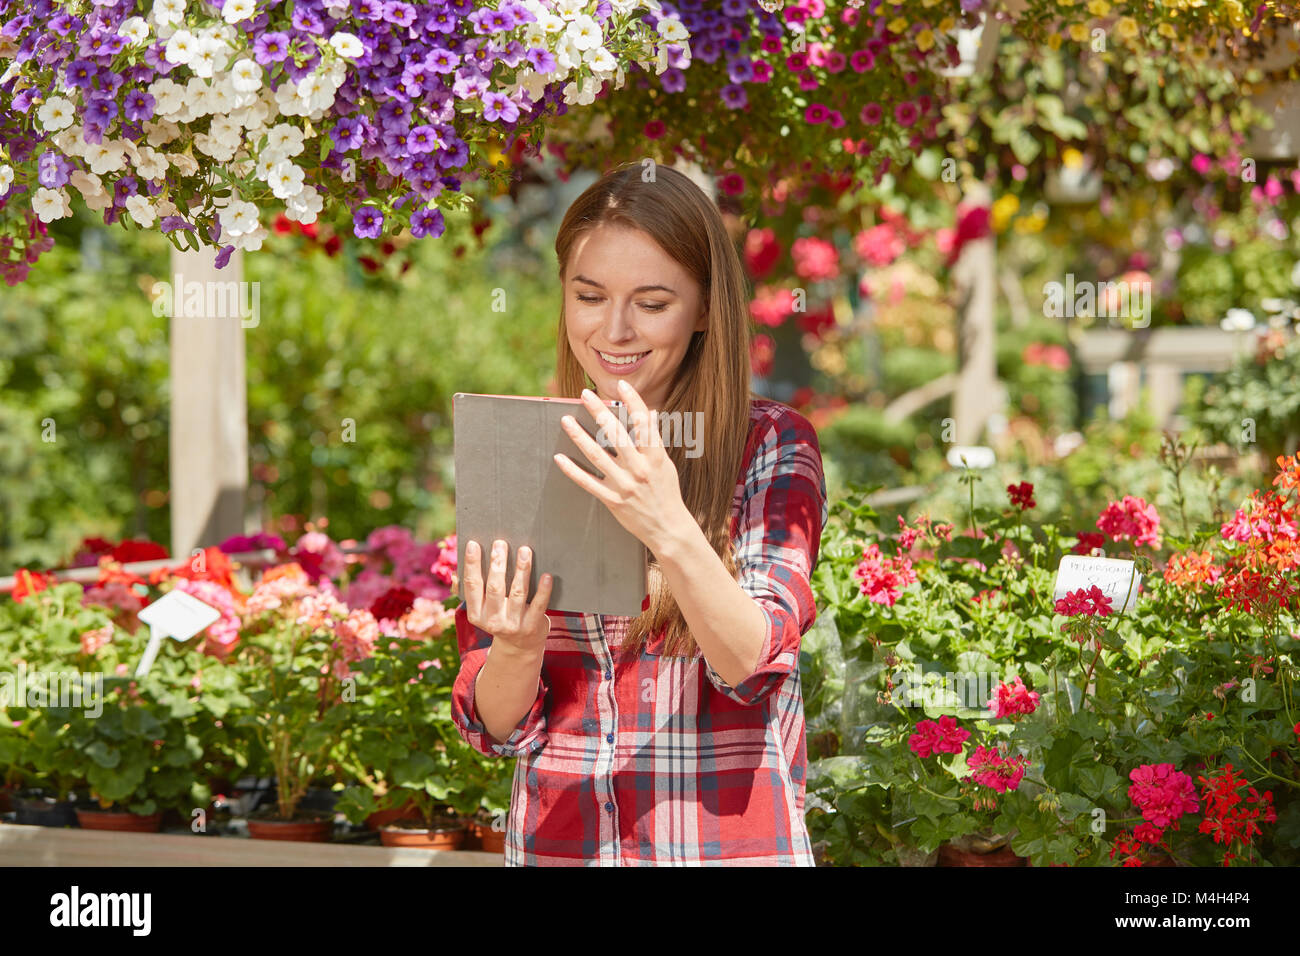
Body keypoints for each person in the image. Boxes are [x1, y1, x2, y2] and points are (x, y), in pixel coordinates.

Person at [450, 162, 829, 865]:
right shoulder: (527, 449)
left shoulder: (769, 445)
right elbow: (497, 727)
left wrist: (667, 523)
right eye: (589, 296)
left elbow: (752, 658)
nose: (614, 329)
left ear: (706, 310)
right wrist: (516, 648)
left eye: (652, 304)